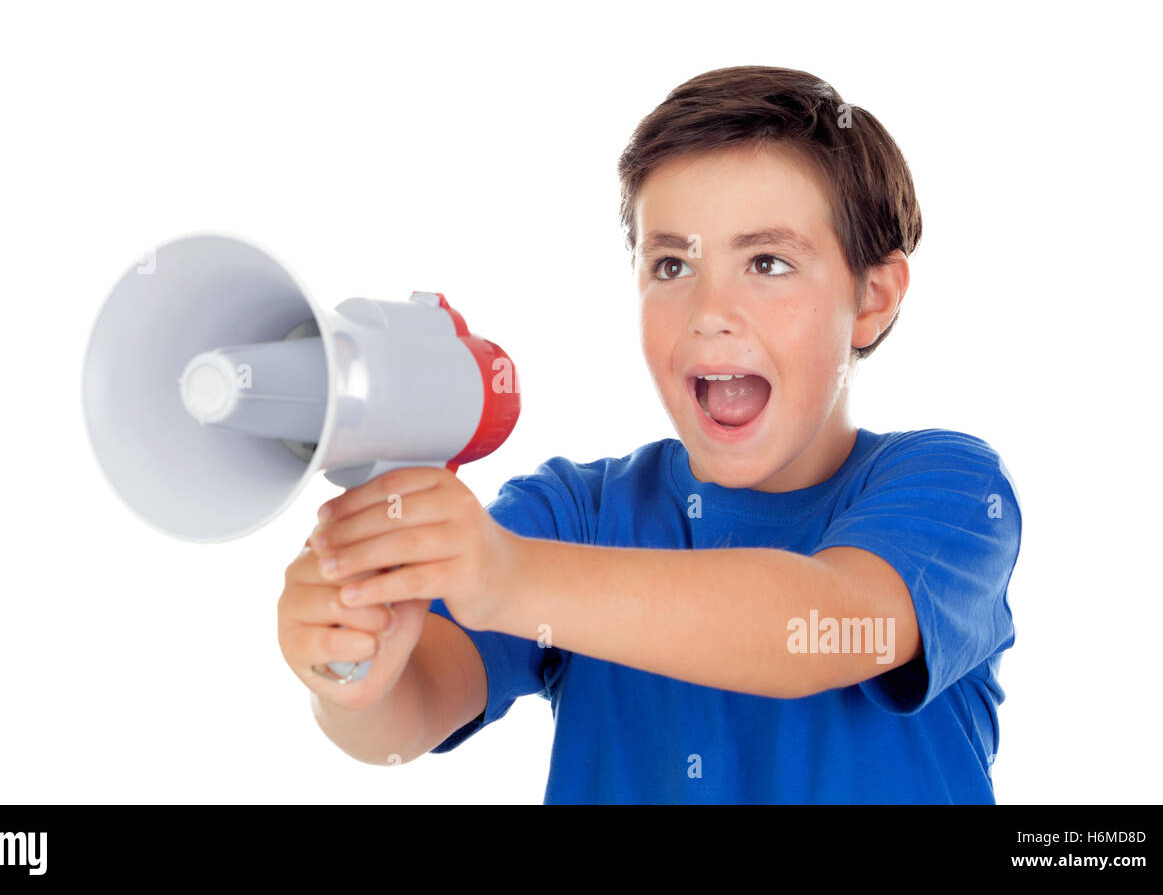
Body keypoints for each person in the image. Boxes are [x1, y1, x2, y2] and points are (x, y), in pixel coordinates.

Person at [277, 65, 1022, 804]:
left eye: (767, 262)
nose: (709, 310)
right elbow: (411, 714)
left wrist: (507, 577)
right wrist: (349, 665)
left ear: (873, 298)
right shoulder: (572, 513)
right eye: (672, 264)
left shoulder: (949, 487)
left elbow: (820, 628)